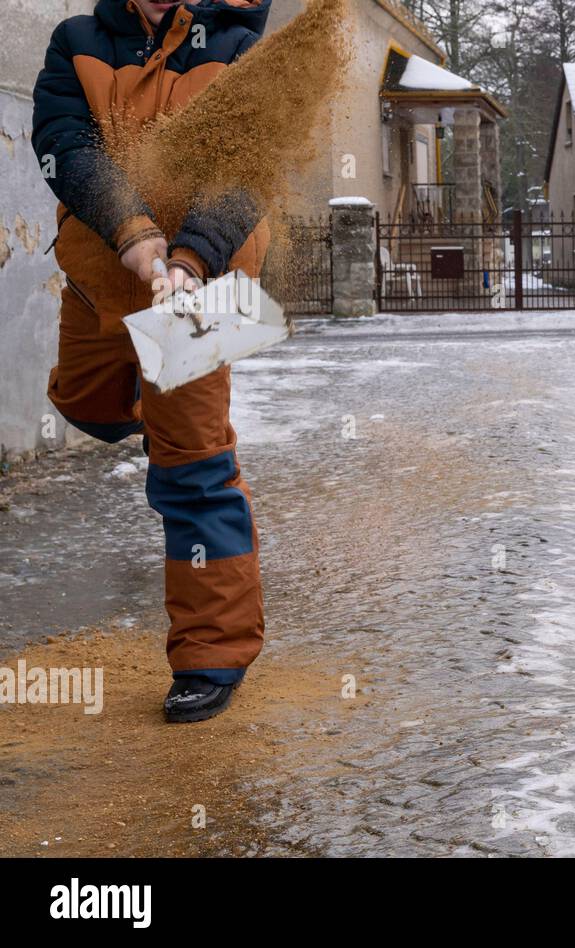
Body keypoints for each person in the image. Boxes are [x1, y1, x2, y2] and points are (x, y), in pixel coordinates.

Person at [32, 0, 273, 722]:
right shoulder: (75, 41)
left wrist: (191, 258)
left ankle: (212, 654)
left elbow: (248, 172)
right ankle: (159, 406)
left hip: (211, 280)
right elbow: (66, 146)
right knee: (81, 402)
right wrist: (136, 237)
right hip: (106, 265)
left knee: (193, 465)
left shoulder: (239, 48)